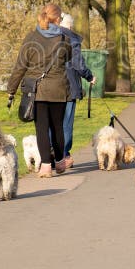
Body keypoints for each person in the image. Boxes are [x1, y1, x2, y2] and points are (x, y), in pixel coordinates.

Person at [8, 3, 71, 178]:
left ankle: (45, 166)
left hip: (37, 90)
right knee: (57, 126)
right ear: (57, 18)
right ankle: (59, 162)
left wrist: (11, 89)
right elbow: (70, 57)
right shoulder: (64, 39)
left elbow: (20, 66)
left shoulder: (31, 38)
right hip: (58, 89)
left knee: (41, 128)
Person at [59, 13, 96, 168]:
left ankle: (50, 155)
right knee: (66, 123)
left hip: (50, 87)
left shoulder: (49, 37)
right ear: (69, 25)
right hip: (69, 86)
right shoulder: (72, 39)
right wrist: (89, 76)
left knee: (53, 123)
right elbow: (78, 64)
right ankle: (64, 155)